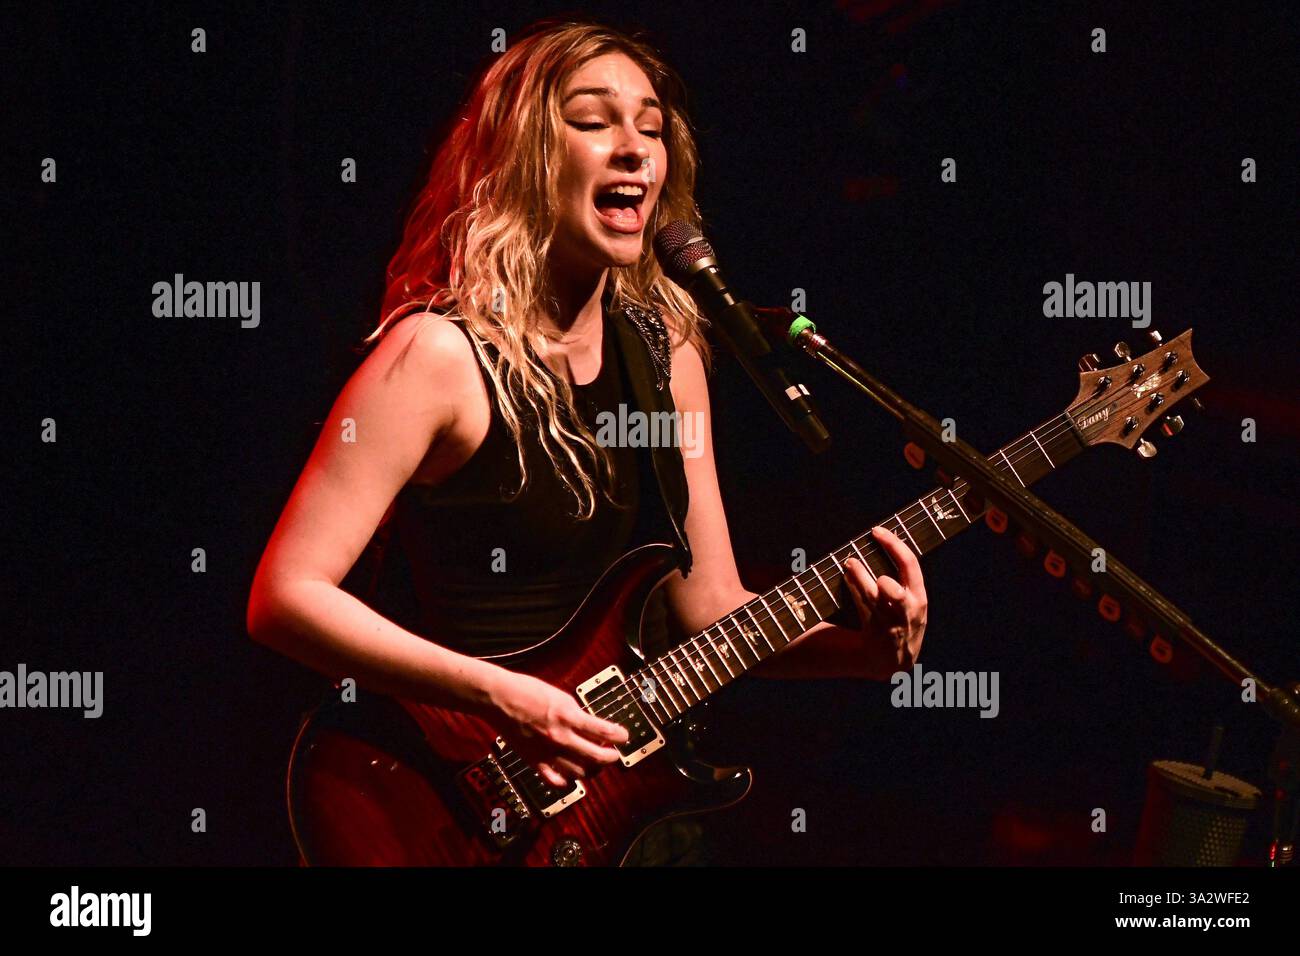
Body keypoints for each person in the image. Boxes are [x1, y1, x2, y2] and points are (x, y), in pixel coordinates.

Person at [246, 17, 927, 865]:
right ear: (527, 152)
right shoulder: (437, 358)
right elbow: (285, 596)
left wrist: (853, 655)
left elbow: (708, 607)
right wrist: (502, 698)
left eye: (651, 126)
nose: (634, 147)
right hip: (435, 793)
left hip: (620, 822)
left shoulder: (667, 353)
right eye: (595, 119)